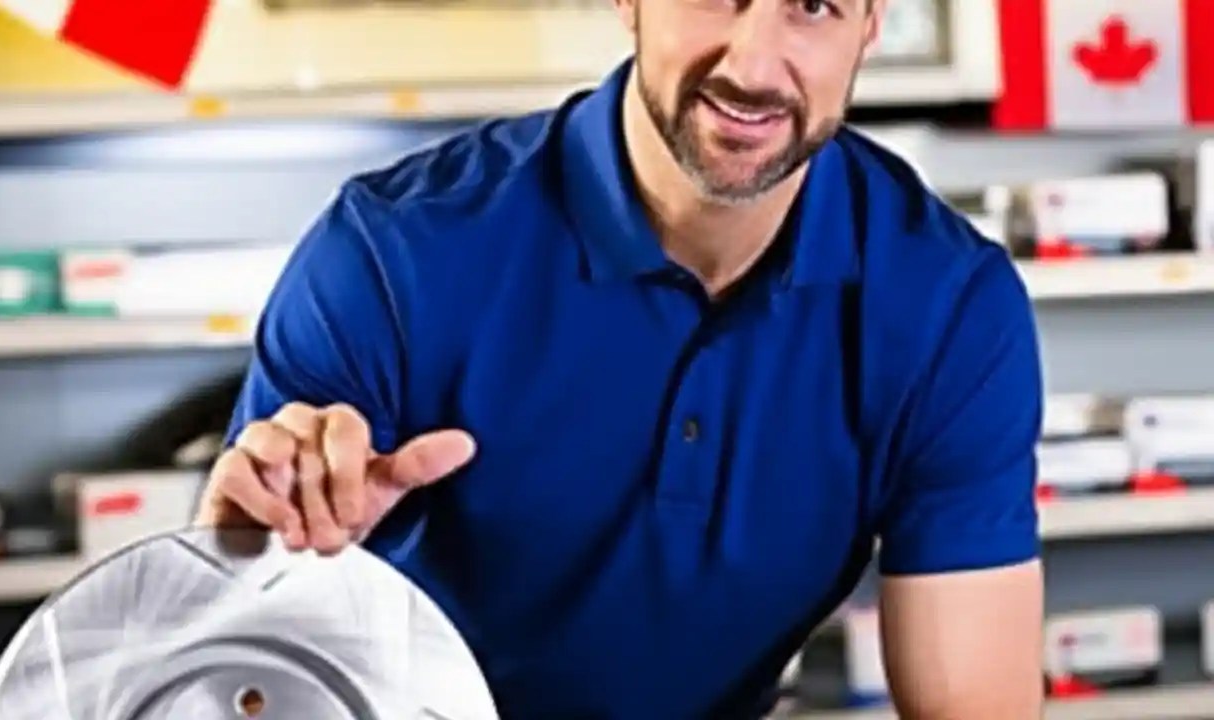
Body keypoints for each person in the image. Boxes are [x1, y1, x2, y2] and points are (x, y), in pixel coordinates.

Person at [194, 0, 1045, 716]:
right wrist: (241, 563)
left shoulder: (946, 307)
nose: (753, 61)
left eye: (814, 4)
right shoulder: (394, 255)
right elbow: (235, 671)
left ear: (871, 21)